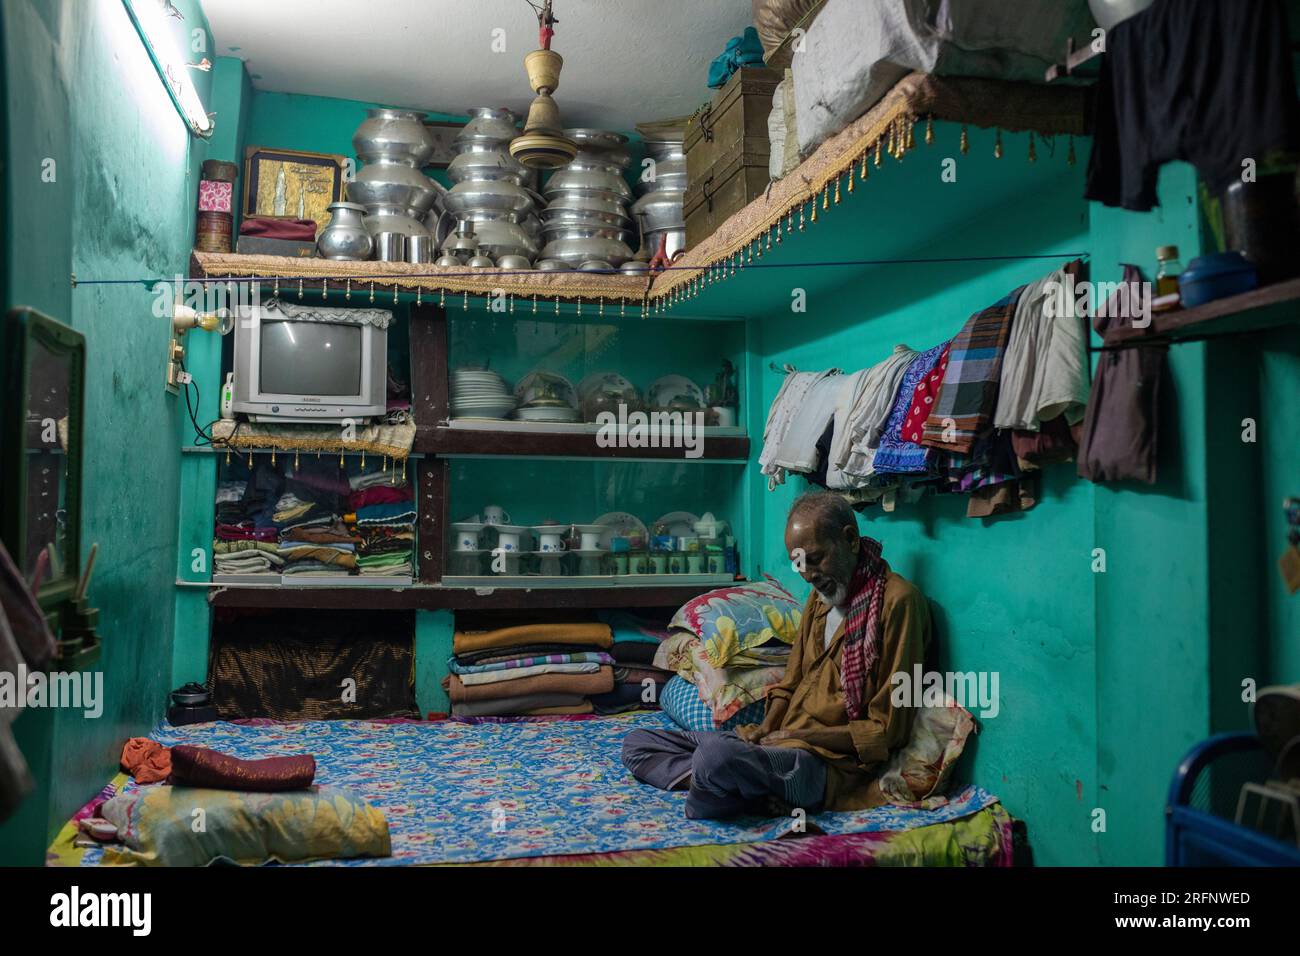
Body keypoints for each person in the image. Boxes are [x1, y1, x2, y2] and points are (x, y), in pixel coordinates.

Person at [622, 491, 931, 819]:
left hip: (826, 764)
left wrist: (797, 736)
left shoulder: (899, 604)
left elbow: (886, 732)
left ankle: (728, 785)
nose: (808, 574)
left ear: (851, 539)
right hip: (782, 742)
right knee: (638, 744)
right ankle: (739, 789)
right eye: (799, 563)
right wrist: (764, 729)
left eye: (816, 558)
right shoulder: (820, 597)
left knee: (715, 756)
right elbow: (791, 681)